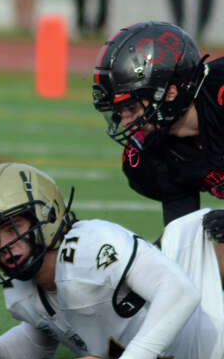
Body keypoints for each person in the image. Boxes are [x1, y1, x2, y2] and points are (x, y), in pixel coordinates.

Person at [0, 162, 224, 359]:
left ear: (46, 215)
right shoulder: (25, 291)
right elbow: (41, 337)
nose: (3, 245)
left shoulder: (87, 247)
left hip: (213, 327)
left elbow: (179, 291)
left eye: (12, 227)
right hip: (194, 350)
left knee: (197, 233)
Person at [91, 21, 224, 224]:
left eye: (131, 108)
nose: (126, 122)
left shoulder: (219, 93)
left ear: (171, 93)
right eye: (119, 112)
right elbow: (180, 237)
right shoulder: (154, 152)